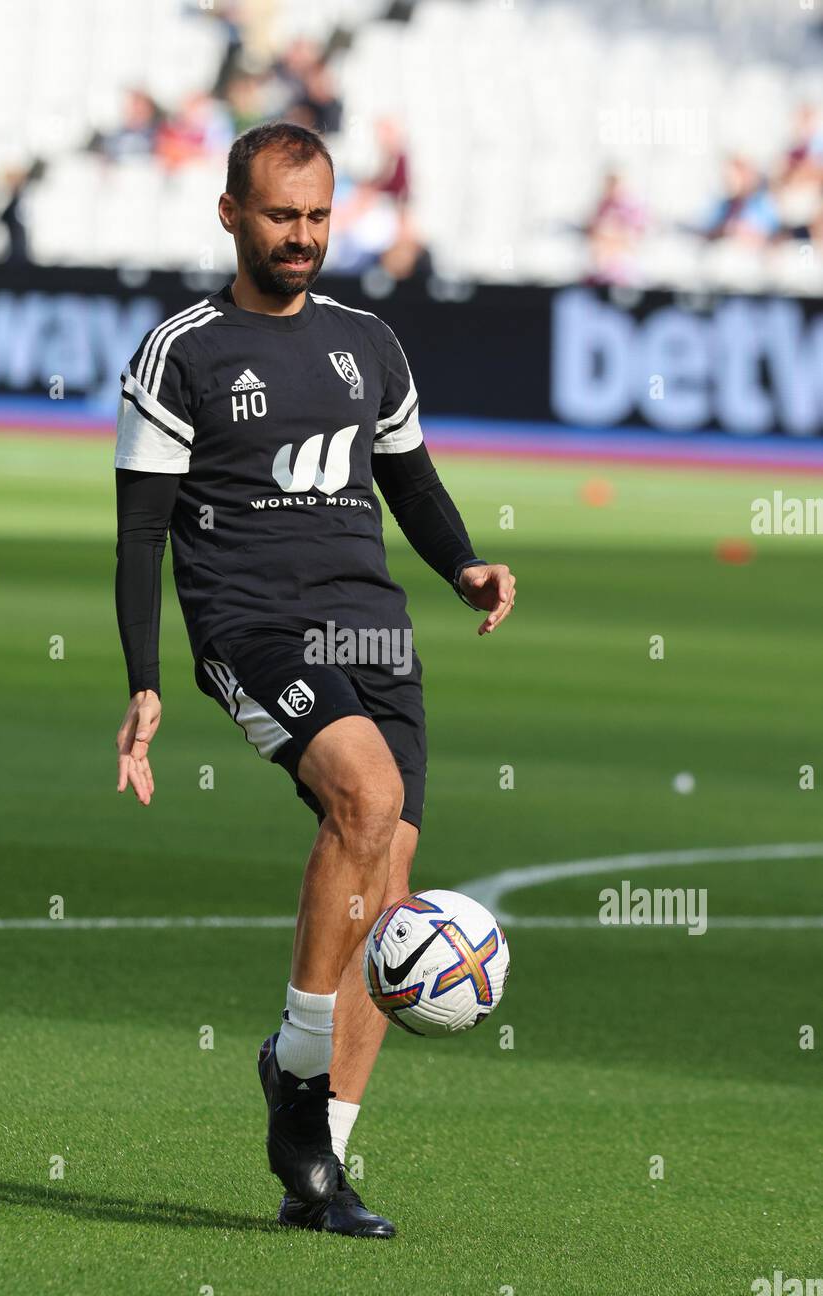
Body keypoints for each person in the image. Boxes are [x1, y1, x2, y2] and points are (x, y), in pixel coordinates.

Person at [113, 122, 514, 1238]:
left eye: (318, 216)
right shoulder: (179, 351)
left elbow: (411, 479)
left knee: (387, 903)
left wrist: (463, 562)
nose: (302, 236)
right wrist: (145, 680)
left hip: (374, 635)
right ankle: (293, 1068)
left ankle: (320, 1173)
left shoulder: (369, 343)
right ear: (231, 213)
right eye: (282, 214)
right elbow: (140, 531)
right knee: (366, 799)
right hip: (253, 625)